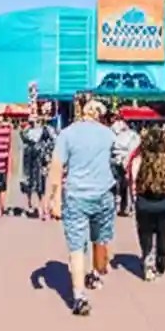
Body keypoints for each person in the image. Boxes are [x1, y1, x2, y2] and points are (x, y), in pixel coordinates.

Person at [47, 99, 116, 317]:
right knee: (101, 239)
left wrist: (54, 198)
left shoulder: (67, 134)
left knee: (76, 247)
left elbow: (56, 166)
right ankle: (96, 272)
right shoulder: (109, 135)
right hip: (103, 193)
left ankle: (79, 296)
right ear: (99, 115)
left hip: (76, 195)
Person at [129, 127, 165, 281]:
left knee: (145, 233)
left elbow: (133, 179)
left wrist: (134, 195)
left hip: (145, 201)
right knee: (163, 233)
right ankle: (161, 261)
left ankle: (148, 261)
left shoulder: (140, 158)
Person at [20, 119, 54, 218]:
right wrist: (27, 127)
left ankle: (42, 208)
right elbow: (22, 136)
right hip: (29, 159)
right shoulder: (28, 130)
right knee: (28, 182)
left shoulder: (47, 130)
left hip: (41, 160)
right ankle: (29, 205)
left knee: (41, 183)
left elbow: (53, 141)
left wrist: (48, 153)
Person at [110, 118, 141, 217]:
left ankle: (123, 206)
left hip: (120, 161)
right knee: (124, 185)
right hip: (122, 161)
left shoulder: (131, 135)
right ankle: (125, 206)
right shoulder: (133, 135)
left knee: (121, 185)